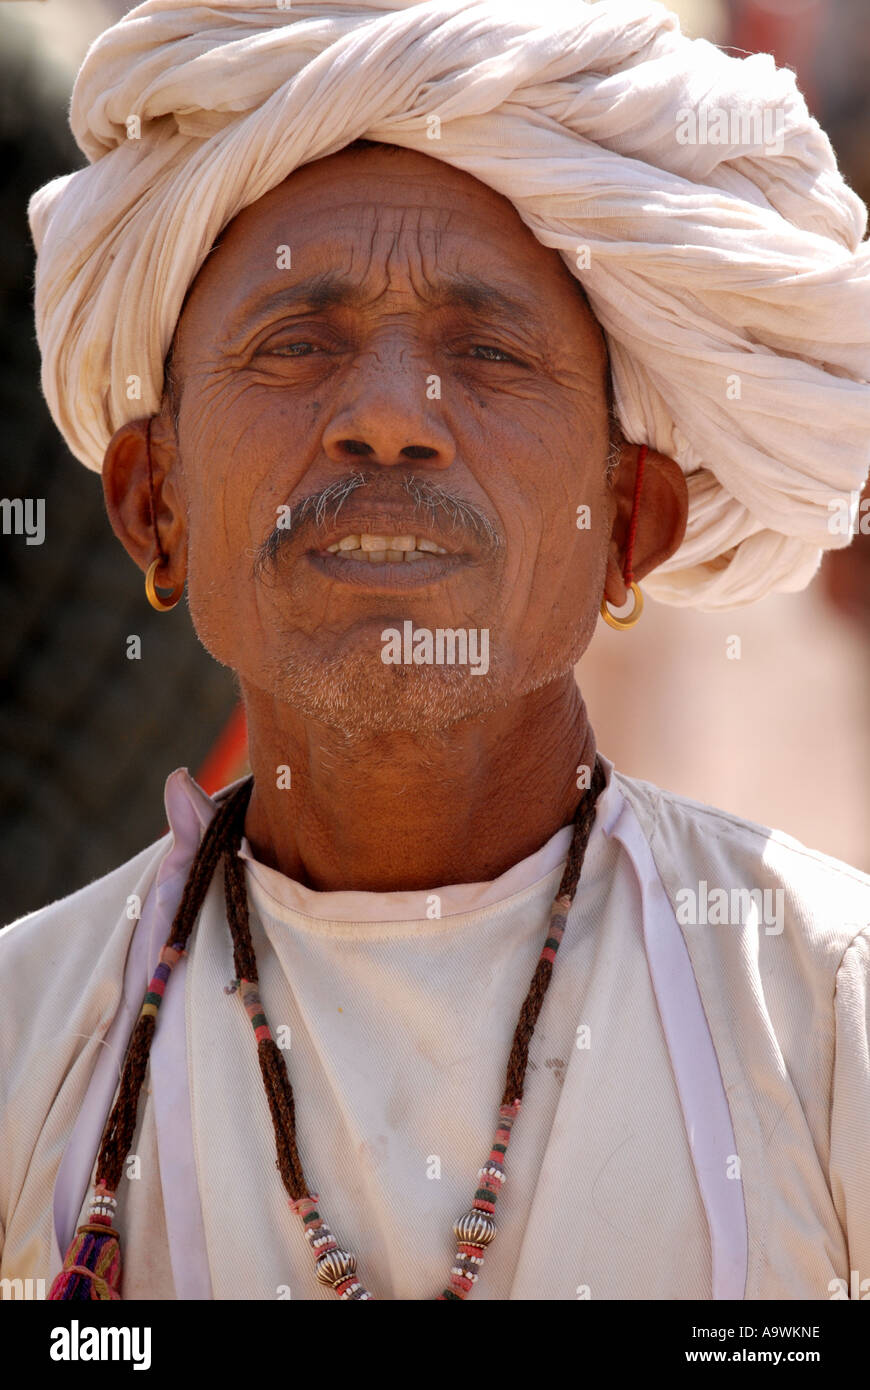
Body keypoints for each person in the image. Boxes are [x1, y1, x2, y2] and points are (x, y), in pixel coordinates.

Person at [2, 0, 869, 1302]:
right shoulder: (30, 1044)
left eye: (486, 351)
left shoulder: (824, 1016)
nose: (389, 418)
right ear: (154, 508)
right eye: (297, 342)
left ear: (625, 527)